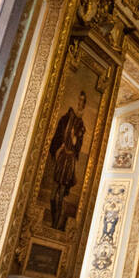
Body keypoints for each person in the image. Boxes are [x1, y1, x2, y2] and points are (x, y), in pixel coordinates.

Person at [48, 91, 88, 230]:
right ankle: (55, 219)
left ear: (84, 103)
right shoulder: (68, 118)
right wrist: (60, 147)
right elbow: (61, 132)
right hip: (62, 157)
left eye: (82, 101)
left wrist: (74, 138)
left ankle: (56, 224)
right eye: (79, 100)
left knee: (60, 196)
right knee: (53, 196)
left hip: (69, 160)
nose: (79, 103)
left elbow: (78, 144)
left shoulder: (81, 125)